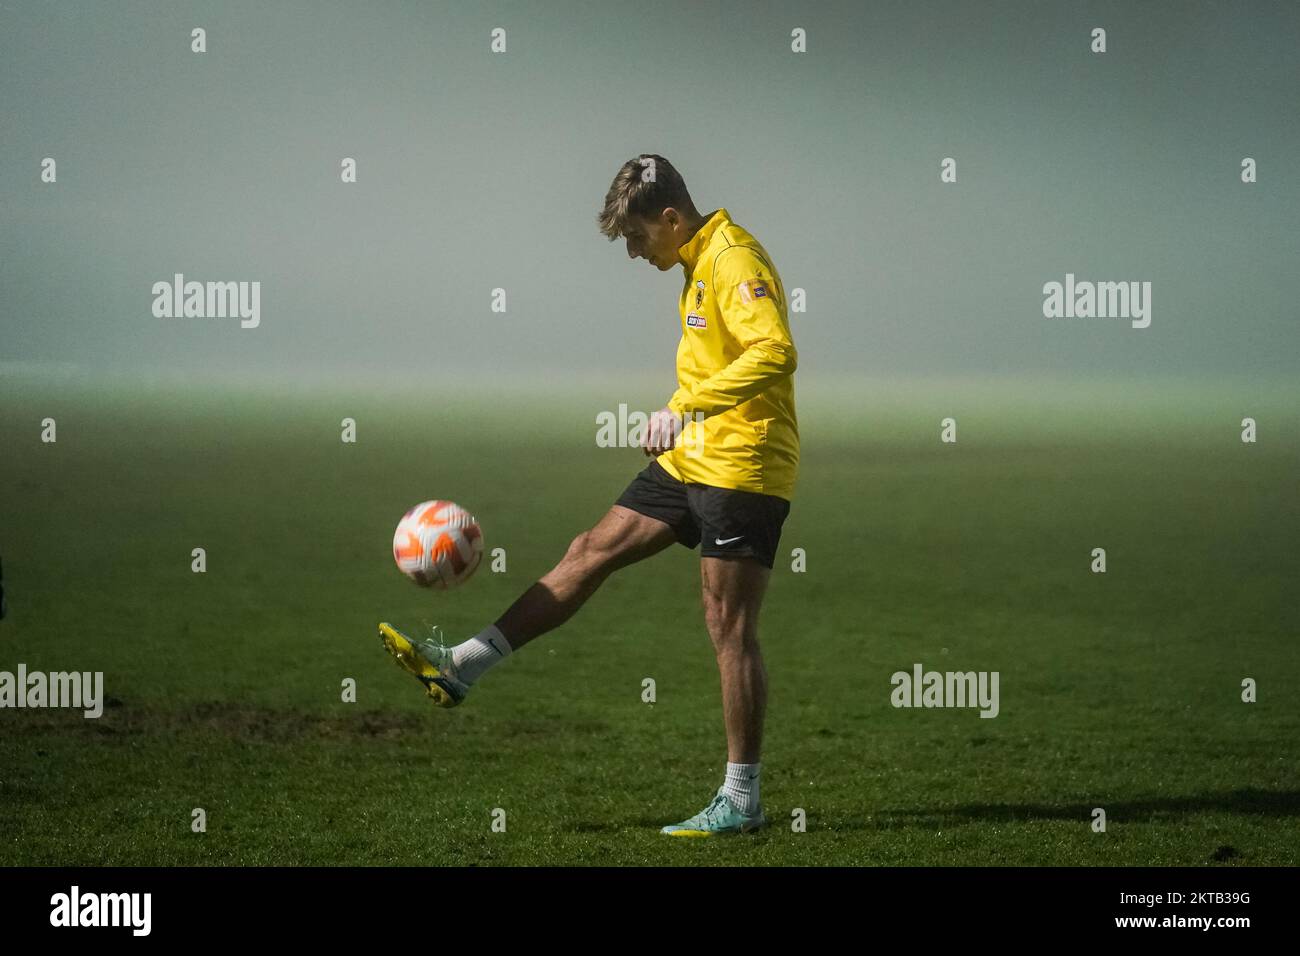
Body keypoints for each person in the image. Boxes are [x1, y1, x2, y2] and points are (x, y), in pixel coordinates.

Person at [379, 154, 798, 836]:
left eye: (636, 238)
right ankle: (461, 666)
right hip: (694, 458)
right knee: (590, 549)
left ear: (670, 218)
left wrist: (686, 406)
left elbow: (776, 351)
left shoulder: (733, 259)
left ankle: (742, 799)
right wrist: (689, 420)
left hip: (743, 467)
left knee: (729, 628)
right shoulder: (695, 261)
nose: (633, 254)